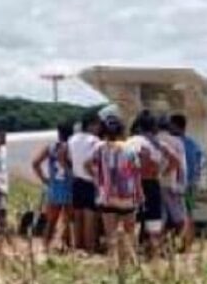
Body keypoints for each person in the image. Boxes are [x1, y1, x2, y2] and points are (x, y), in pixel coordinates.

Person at [89, 115, 141, 271]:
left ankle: (112, 264)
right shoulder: (129, 148)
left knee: (110, 234)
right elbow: (136, 170)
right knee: (130, 232)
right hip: (127, 198)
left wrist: (98, 181)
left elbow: (90, 165)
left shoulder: (99, 148)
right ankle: (131, 263)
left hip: (107, 197)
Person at [127, 113, 167, 260]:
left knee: (133, 221)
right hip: (150, 184)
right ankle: (154, 254)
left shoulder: (129, 142)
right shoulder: (154, 143)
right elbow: (154, 164)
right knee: (154, 222)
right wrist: (159, 172)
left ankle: (132, 254)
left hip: (131, 184)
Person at [32, 122, 73, 249]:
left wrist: (44, 178)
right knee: (69, 220)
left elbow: (35, 163)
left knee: (51, 220)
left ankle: (45, 245)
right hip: (69, 185)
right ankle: (66, 245)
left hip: (54, 186)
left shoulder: (50, 147)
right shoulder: (71, 147)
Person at [67, 114, 103, 254]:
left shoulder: (72, 139)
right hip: (90, 181)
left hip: (76, 180)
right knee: (90, 216)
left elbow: (69, 158)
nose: (99, 128)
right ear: (91, 125)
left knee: (78, 216)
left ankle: (78, 246)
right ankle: (90, 247)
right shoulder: (95, 140)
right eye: (97, 125)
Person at [169, 114, 201, 252]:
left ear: (175, 126)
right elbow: (199, 163)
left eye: (170, 125)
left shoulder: (174, 144)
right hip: (192, 184)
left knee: (179, 215)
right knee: (189, 213)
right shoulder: (193, 144)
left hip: (181, 184)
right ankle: (188, 245)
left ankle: (180, 243)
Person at [157, 116, 188, 248]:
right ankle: (184, 244)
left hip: (157, 184)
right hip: (172, 184)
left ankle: (159, 246)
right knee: (179, 217)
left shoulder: (154, 140)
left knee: (160, 217)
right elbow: (182, 166)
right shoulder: (177, 142)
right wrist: (182, 184)